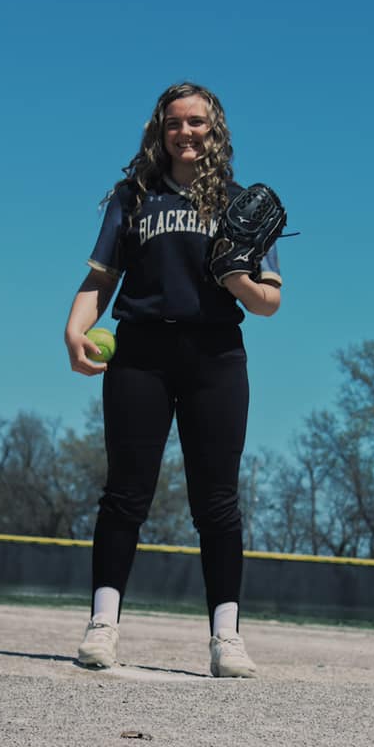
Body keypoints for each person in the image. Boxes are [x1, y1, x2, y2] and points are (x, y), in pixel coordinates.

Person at [64, 82, 283, 677]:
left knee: (217, 501)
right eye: (174, 123)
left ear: (217, 131)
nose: (186, 132)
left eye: (198, 122)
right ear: (159, 132)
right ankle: (103, 624)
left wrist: (235, 276)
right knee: (125, 494)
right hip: (141, 351)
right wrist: (74, 331)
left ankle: (226, 638)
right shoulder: (132, 198)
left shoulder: (242, 203)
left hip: (215, 355)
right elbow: (99, 282)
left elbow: (269, 302)